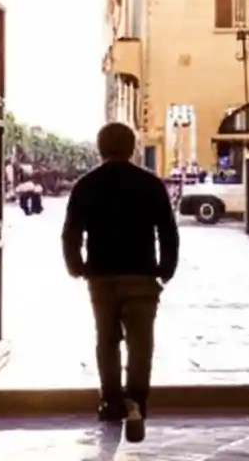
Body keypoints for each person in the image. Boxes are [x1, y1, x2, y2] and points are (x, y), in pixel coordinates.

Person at [62, 122, 179, 443]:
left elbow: (71, 233)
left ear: (100, 148)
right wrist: (164, 270)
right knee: (142, 343)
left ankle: (110, 400)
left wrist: (77, 267)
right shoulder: (151, 184)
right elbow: (168, 232)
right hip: (141, 274)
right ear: (132, 148)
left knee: (107, 339)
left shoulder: (86, 185)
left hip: (102, 276)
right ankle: (137, 400)